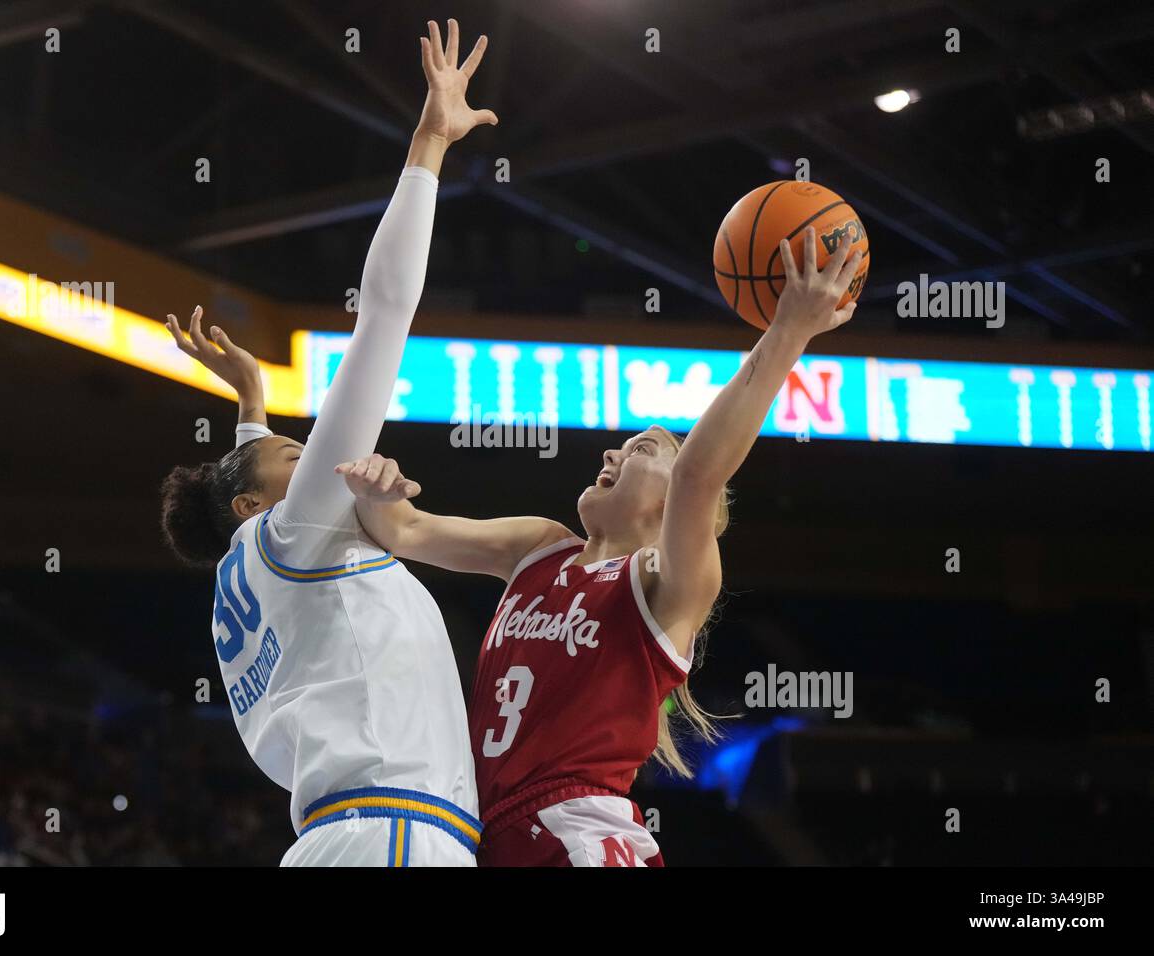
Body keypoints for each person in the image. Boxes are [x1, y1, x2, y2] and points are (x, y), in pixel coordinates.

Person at [339, 230, 863, 865]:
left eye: (641, 450)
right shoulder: (539, 548)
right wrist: (379, 490)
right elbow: (406, 531)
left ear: (671, 503)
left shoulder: (668, 585)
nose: (612, 452)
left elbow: (700, 470)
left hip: (580, 829)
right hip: (484, 831)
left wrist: (789, 332)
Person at [158, 19, 498, 867]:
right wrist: (428, 141)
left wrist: (250, 403)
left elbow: (254, 477)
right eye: (289, 451)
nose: (307, 452)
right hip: (390, 835)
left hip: (367, 835)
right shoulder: (287, 532)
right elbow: (383, 312)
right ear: (256, 499)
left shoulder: (258, 558)